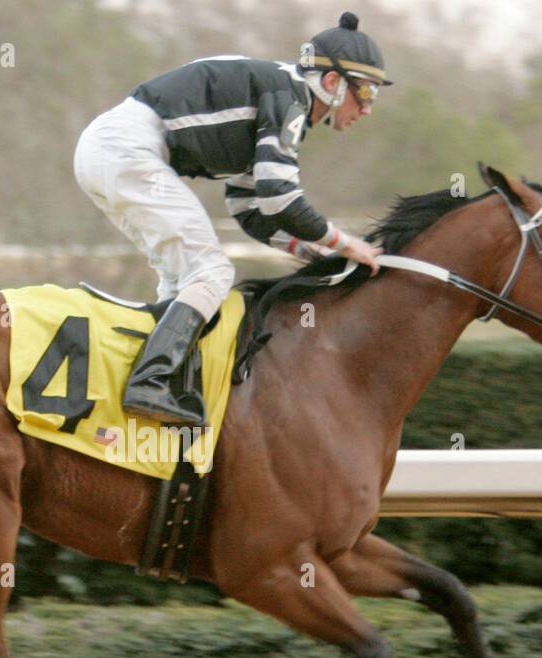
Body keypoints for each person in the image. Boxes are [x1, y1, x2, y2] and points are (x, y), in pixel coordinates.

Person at [74, 12, 392, 427]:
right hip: (126, 148)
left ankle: (164, 389)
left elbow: (250, 209)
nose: (367, 108)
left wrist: (307, 247)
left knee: (182, 279)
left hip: (110, 150)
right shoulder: (290, 100)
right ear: (331, 83)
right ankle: (148, 384)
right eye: (365, 91)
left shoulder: (279, 95)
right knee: (210, 272)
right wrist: (345, 244)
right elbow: (280, 198)